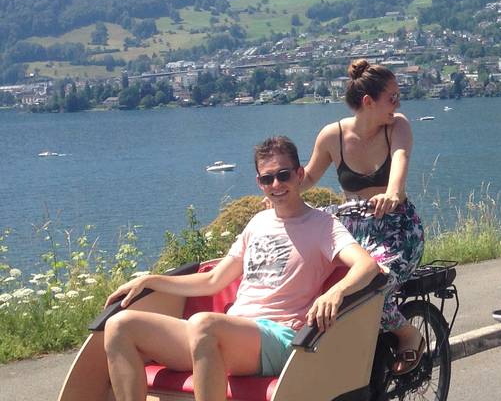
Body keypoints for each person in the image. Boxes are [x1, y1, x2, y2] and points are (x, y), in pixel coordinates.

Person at [102, 137, 379, 401]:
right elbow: (212, 280)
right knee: (119, 325)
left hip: (277, 337)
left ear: (299, 174)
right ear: (259, 183)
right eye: (267, 178)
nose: (276, 184)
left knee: (203, 323)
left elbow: (367, 265)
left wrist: (337, 292)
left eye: (283, 174)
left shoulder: (323, 225)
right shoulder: (258, 222)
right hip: (224, 336)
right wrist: (150, 281)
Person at [298, 59, 425, 374]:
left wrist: (393, 193)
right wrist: (279, 192)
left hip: (398, 229)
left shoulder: (398, 126)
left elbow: (400, 159)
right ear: (368, 102)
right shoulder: (333, 136)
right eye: (392, 98)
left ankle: (410, 335)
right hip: (353, 233)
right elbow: (309, 178)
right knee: (313, 285)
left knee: (372, 287)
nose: (398, 103)